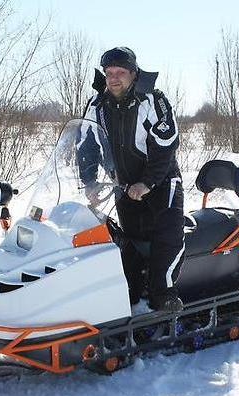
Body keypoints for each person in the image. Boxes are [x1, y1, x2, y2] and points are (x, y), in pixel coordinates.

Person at [79, 47, 185, 313]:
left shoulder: (152, 100)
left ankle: (164, 294)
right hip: (123, 184)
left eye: (120, 72)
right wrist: (89, 180)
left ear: (134, 74)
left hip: (161, 183)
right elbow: (86, 144)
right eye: (109, 73)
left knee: (166, 237)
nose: (114, 78)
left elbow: (166, 145)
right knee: (126, 240)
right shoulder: (97, 105)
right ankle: (129, 292)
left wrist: (147, 183)